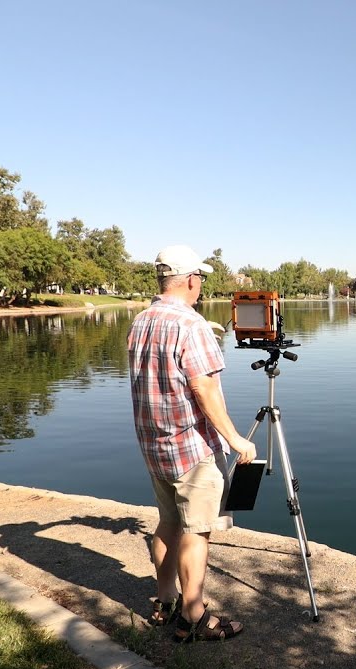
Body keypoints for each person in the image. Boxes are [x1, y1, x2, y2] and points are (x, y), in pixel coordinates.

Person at [127, 244, 257, 642]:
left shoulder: (141, 320)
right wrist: (235, 438)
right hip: (191, 448)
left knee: (167, 523)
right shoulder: (192, 325)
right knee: (197, 532)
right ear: (189, 280)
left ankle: (164, 603)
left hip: (154, 445)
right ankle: (194, 615)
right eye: (199, 278)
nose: (200, 285)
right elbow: (205, 388)